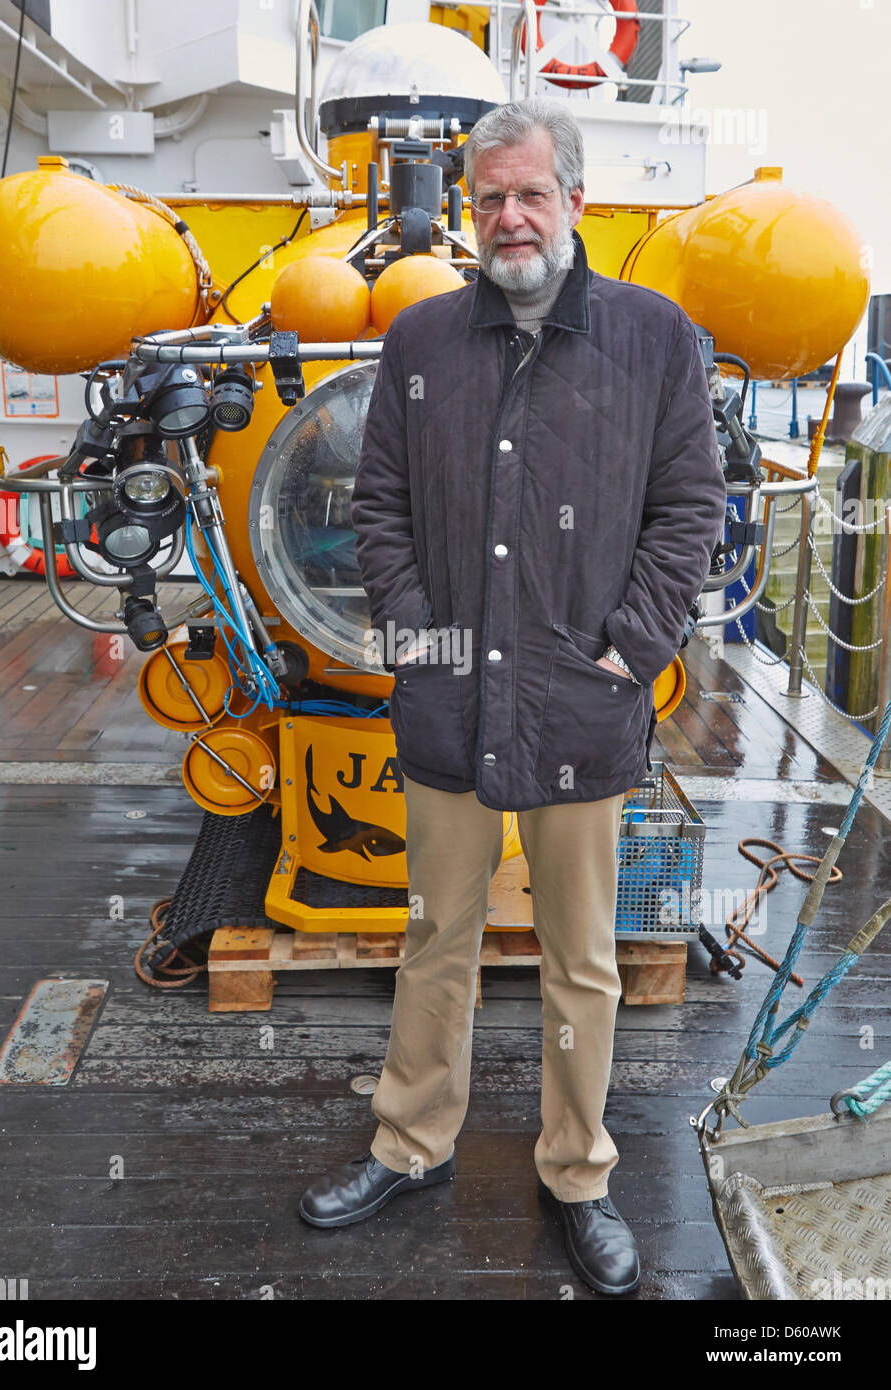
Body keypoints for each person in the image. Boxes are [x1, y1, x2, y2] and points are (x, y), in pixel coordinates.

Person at [299, 96, 727, 1297]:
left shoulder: (652, 337)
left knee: (580, 954)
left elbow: (689, 508)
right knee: (436, 931)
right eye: (489, 198)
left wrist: (627, 649)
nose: (508, 216)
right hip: (446, 696)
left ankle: (577, 1170)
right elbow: (375, 500)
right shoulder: (424, 341)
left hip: (581, 700)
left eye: (530, 193)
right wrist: (415, 635)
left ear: (575, 200)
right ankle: (410, 1142)